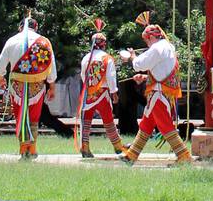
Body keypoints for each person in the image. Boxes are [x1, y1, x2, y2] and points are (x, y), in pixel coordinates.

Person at [118, 19, 192, 165]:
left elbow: (139, 64)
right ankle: (131, 155)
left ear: (151, 37)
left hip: (158, 92)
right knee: (146, 124)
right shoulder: (168, 46)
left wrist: (132, 56)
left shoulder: (157, 48)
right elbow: (162, 71)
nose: (147, 44)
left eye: (146, 41)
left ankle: (184, 156)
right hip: (162, 90)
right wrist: (146, 77)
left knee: (165, 126)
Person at [0, 15, 55, 159]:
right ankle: (32, 149)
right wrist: (51, 84)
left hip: (17, 86)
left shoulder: (12, 40)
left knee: (20, 116)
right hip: (37, 85)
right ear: (36, 27)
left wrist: (1, 77)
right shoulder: (44, 42)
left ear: (20, 27)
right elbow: (50, 65)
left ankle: (23, 150)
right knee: (34, 118)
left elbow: (1, 64)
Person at [78, 22, 127, 158]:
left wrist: (89, 87)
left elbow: (83, 75)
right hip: (102, 93)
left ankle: (85, 147)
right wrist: (114, 93)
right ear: (103, 44)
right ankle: (117, 145)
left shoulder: (86, 58)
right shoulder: (107, 58)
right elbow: (111, 77)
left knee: (86, 120)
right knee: (108, 119)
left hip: (88, 93)